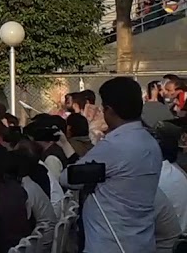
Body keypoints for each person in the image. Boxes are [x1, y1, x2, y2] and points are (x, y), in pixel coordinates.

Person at [63, 76, 162, 253]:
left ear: (108, 110)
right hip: (142, 240)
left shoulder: (114, 145)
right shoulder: (150, 142)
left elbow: (68, 178)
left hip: (109, 243)